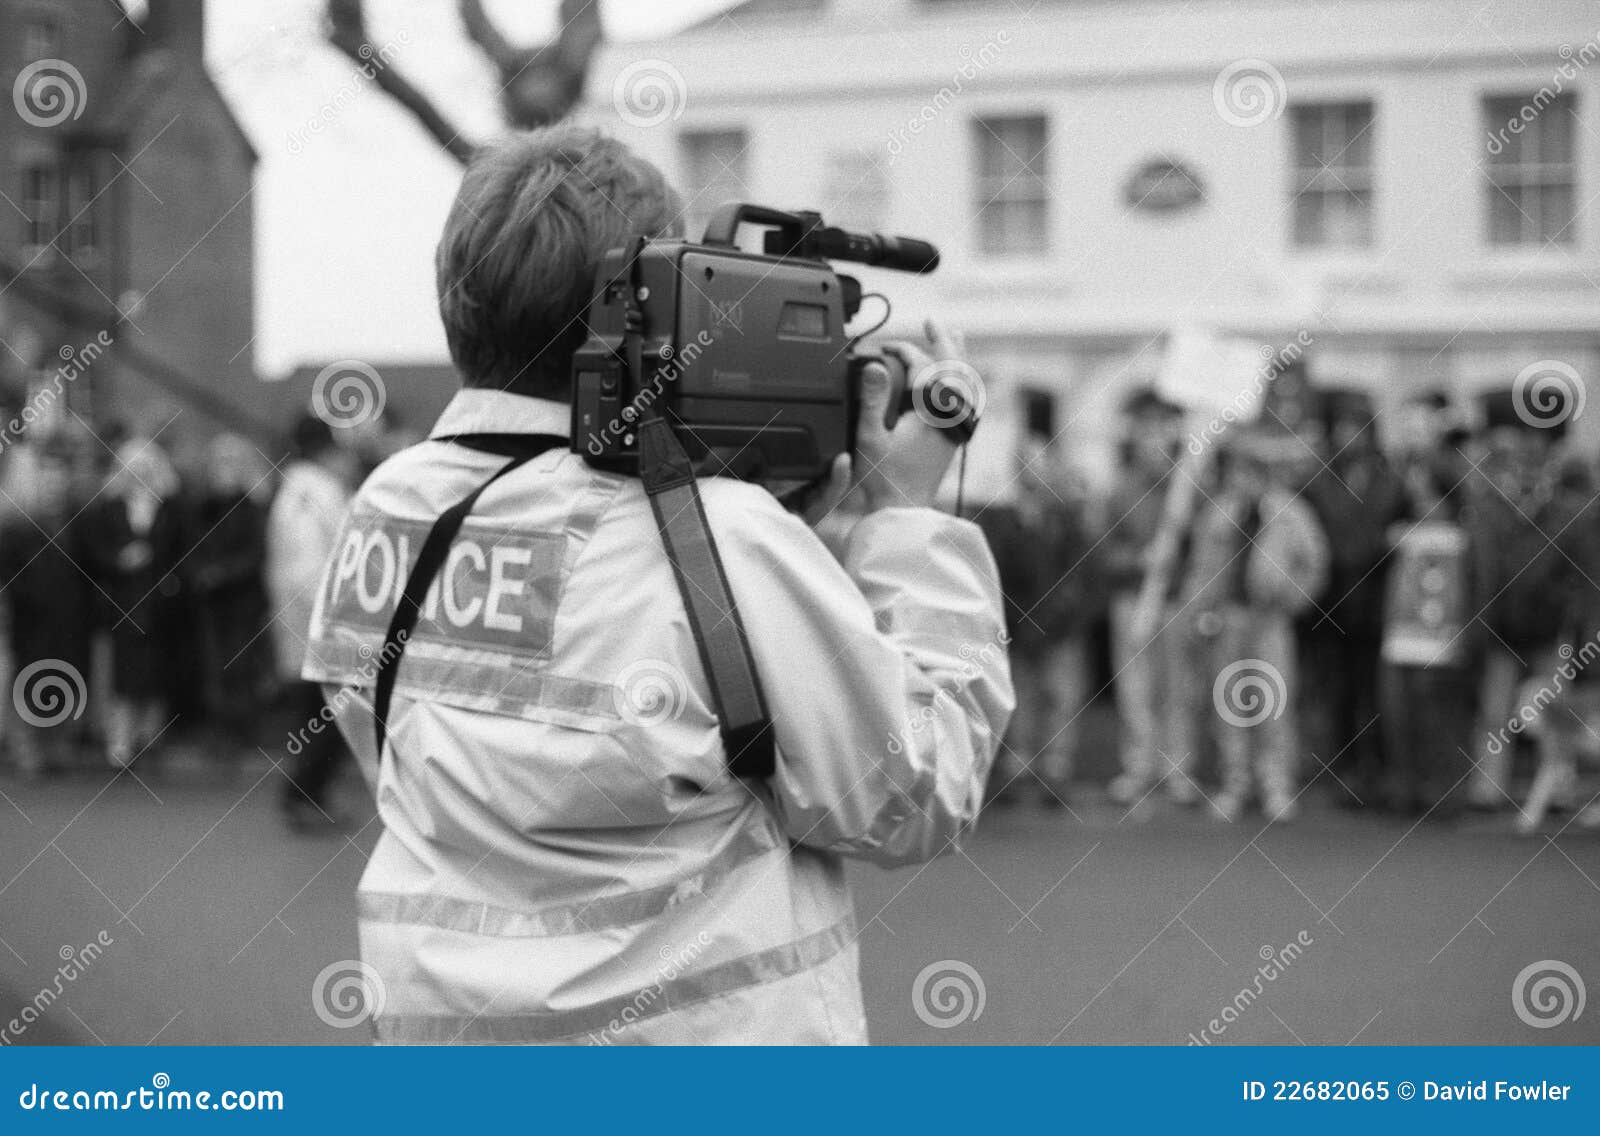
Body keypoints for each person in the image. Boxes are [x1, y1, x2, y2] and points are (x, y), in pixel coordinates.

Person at [300, 126, 1012, 1044]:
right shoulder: (718, 536)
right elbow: (916, 792)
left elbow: (433, 750)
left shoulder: (389, 504)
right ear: (651, 302)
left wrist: (771, 538)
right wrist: (905, 519)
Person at [1169, 433, 1328, 821]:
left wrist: (1292, 598)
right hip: (1229, 618)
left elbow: (1314, 563)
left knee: (1274, 702)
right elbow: (1202, 569)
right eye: (1238, 469)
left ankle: (1276, 785)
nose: (1243, 477)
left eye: (1251, 470)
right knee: (1230, 705)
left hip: (1270, 620)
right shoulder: (1220, 513)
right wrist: (1198, 611)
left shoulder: (1290, 513)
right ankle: (1235, 783)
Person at [979, 443, 1104, 808]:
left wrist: (1065, 617)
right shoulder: (1003, 519)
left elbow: (1084, 573)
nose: (1035, 474)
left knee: (1061, 696)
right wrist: (1014, 619)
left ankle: (1055, 771)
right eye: (1028, 466)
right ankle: (1018, 767)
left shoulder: (1068, 519)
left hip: (1060, 627)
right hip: (1018, 626)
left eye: (1041, 466)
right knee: (1020, 697)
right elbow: (995, 571)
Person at [268, 415, 357, 828]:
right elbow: (309, 567)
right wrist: (335, 613)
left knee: (316, 713)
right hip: (323, 620)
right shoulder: (315, 491)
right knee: (330, 714)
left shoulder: (293, 489)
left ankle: (309, 794)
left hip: (301, 620)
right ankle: (304, 794)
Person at [1102, 387, 1184, 806]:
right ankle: (1139, 768)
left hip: (1176, 603)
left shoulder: (1188, 489)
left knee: (1176, 688)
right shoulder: (1120, 488)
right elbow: (1102, 551)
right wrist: (1138, 560)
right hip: (1133, 603)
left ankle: (1176, 770)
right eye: (1147, 431)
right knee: (1135, 690)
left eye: (1162, 431)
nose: (1155, 440)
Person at [0, 442, 96, 778]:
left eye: (59, 476)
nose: (53, 484)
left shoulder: (78, 522)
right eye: (46, 476)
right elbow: (10, 575)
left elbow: (90, 571)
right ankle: (28, 753)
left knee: (64, 682)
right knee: (28, 683)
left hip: (68, 620)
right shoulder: (17, 526)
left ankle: (58, 749)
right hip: (30, 621)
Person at [186, 434, 275, 747]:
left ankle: (244, 728)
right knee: (215, 665)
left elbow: (255, 553)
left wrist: (223, 574)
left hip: (243, 600)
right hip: (212, 603)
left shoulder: (252, 508)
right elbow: (191, 548)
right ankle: (220, 728)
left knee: (242, 664)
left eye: (231, 462)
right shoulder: (201, 507)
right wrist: (203, 574)